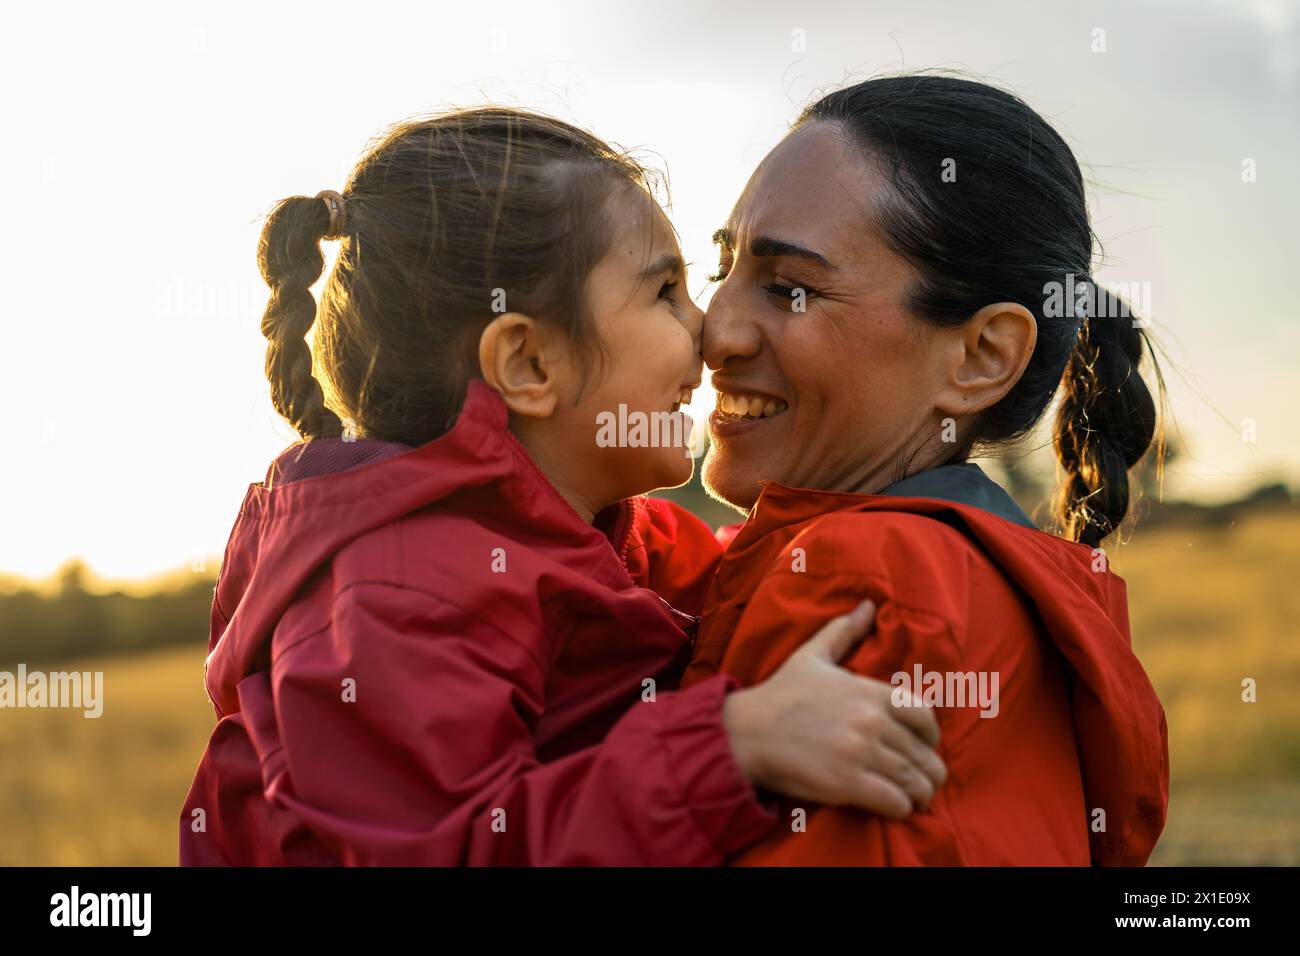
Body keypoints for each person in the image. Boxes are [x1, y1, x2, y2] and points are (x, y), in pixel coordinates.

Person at [180, 107, 945, 866]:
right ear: (529, 365)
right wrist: (730, 748)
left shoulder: (617, 536)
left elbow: (737, 583)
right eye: (664, 293)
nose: (709, 329)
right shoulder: (396, 598)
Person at [683, 75, 1169, 865]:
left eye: (790, 289)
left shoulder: (877, 584)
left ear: (981, 357)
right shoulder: (982, 577)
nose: (715, 333)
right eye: (723, 268)